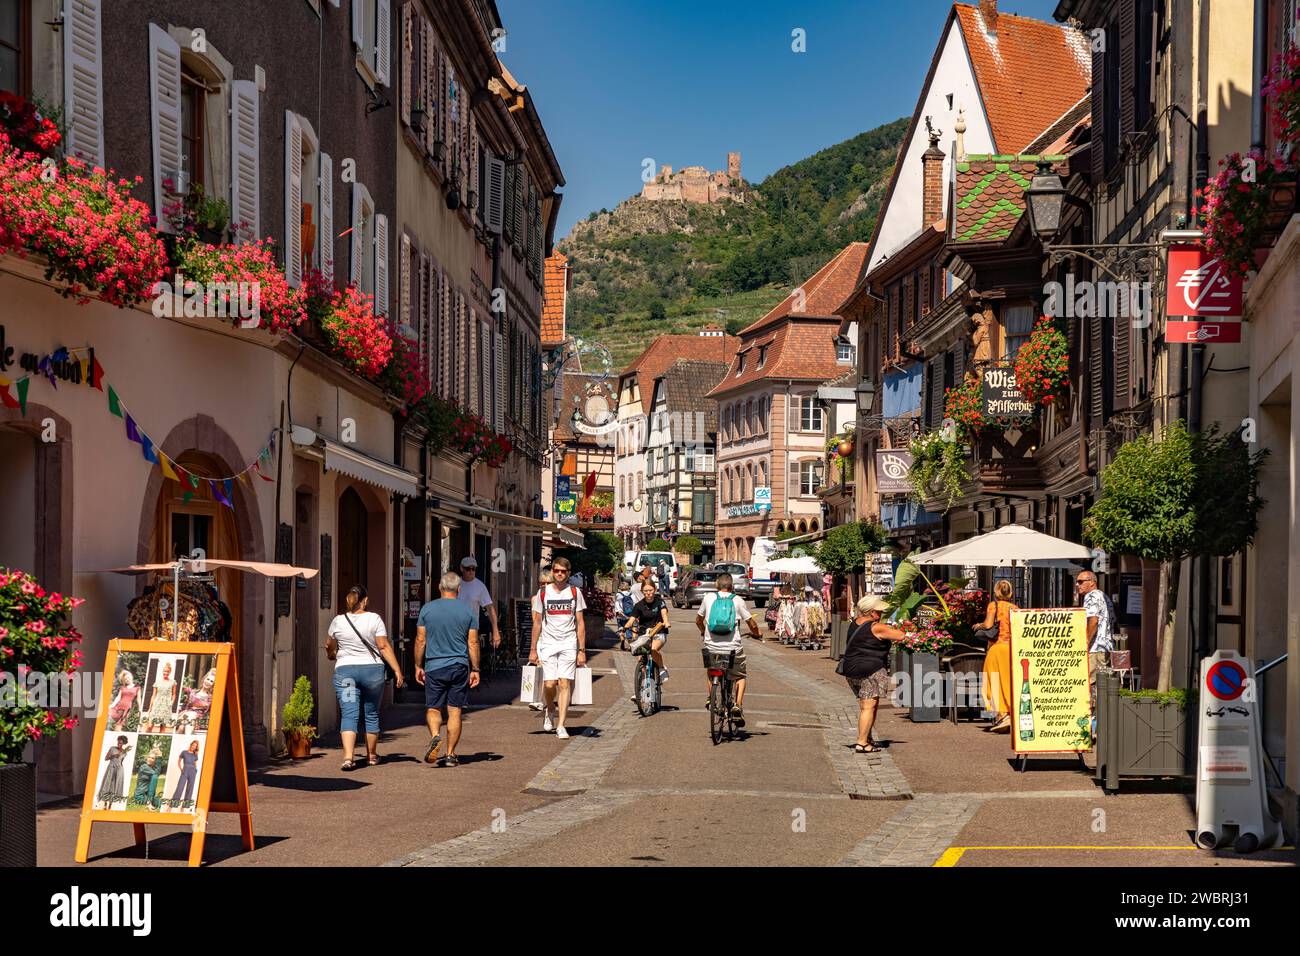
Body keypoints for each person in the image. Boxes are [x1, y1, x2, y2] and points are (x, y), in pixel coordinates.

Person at [327, 584, 405, 771]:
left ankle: (348, 758)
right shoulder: (374, 619)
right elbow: (383, 646)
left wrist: (333, 655)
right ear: (365, 600)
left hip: (346, 672)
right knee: (371, 713)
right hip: (372, 672)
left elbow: (329, 645)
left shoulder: (338, 620)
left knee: (349, 714)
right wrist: (397, 670)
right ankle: (371, 756)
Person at [415, 572, 482, 767]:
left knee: (433, 708)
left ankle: (436, 736)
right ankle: (451, 754)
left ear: (439, 587)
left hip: (434, 665)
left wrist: (418, 665)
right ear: (459, 589)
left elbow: (420, 640)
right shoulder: (468, 611)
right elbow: (473, 642)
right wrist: (475, 668)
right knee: (455, 711)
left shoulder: (427, 609)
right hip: (459, 665)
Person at [529, 556, 587, 739]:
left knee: (564, 683)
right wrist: (533, 649)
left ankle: (561, 725)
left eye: (563, 571)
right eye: (556, 571)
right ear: (552, 572)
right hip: (547, 643)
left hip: (568, 643)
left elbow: (580, 622)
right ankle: (549, 709)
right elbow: (537, 622)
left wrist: (582, 650)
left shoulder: (575, 593)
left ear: (568, 573)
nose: (560, 574)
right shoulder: (543, 593)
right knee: (549, 684)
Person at [842, 596, 907, 753]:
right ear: (872, 612)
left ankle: (867, 737)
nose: (881, 612)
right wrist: (904, 627)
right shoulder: (875, 627)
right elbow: (900, 636)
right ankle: (862, 742)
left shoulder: (855, 623)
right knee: (868, 707)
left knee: (867, 705)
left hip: (851, 669)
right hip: (870, 670)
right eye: (879, 610)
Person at [695, 572, 759, 727]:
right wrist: (757, 633)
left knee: (711, 670)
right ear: (732, 586)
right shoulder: (738, 600)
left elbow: (698, 620)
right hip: (733, 648)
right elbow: (751, 622)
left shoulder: (708, 598)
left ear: (717, 585)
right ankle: (737, 704)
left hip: (712, 646)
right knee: (740, 675)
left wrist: (704, 631)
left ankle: (711, 697)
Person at [979, 580, 1020, 733]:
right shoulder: (1015, 609)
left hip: (996, 649)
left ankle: (1002, 715)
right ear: (1010, 592)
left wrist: (979, 625)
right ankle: (1009, 714)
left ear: (996, 591)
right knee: (1008, 682)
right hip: (1011, 650)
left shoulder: (993, 606)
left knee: (993, 682)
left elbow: (989, 625)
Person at [1076, 570, 1116, 706]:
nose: (1077, 585)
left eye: (1081, 581)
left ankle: (1093, 719)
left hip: (1095, 648)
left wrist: (1085, 641)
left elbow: (1093, 621)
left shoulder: (1091, 596)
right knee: (1103, 685)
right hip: (1105, 647)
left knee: (1090, 683)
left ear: (1092, 583)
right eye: (1077, 581)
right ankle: (1102, 718)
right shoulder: (1104, 596)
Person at [622, 578, 671, 688]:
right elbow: (632, 619)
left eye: (650, 590)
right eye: (645, 591)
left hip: (658, 632)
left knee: (653, 650)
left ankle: (662, 668)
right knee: (640, 658)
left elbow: (664, 613)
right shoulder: (639, 605)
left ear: (655, 589)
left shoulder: (660, 602)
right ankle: (641, 688)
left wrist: (666, 622)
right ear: (642, 591)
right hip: (644, 635)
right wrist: (625, 627)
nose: (648, 593)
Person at [456, 556, 501, 650]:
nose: (471, 571)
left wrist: (495, 631)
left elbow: (490, 609)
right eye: (468, 569)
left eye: (473, 569)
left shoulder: (480, 586)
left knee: (471, 656)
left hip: (471, 628)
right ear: (462, 568)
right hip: (454, 627)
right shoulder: (455, 584)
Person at [97, 736, 131, 809]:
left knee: (115, 786)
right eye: (118, 742)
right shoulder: (112, 748)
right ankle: (105, 803)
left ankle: (110, 804)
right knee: (108, 784)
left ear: (123, 743)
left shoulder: (124, 752)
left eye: (121, 743)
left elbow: (121, 762)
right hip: (111, 768)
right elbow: (106, 758)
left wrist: (120, 769)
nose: (119, 744)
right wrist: (113, 756)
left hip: (119, 770)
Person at [144, 661, 177, 733]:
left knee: (162, 726)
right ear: (162, 671)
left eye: (168, 671)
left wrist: (171, 703)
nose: (166, 673)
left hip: (166, 705)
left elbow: (174, 694)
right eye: (165, 671)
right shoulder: (157, 682)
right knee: (150, 725)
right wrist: (150, 708)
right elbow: (153, 695)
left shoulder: (173, 682)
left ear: (170, 672)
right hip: (157, 704)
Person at [169, 740, 201, 808]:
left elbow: (195, 764)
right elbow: (179, 761)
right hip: (185, 770)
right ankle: (173, 804)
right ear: (191, 745)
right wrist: (181, 769)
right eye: (193, 745)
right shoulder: (184, 752)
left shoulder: (195, 755)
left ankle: (185, 806)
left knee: (190, 788)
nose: (193, 747)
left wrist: (195, 770)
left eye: (195, 746)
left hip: (193, 771)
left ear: (196, 748)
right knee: (180, 787)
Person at [614, 578, 635, 648]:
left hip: (621, 615)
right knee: (629, 629)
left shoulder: (618, 594)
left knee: (621, 628)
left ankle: (622, 640)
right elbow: (634, 604)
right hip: (629, 615)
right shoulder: (632, 594)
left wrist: (617, 611)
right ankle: (630, 645)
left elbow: (617, 604)